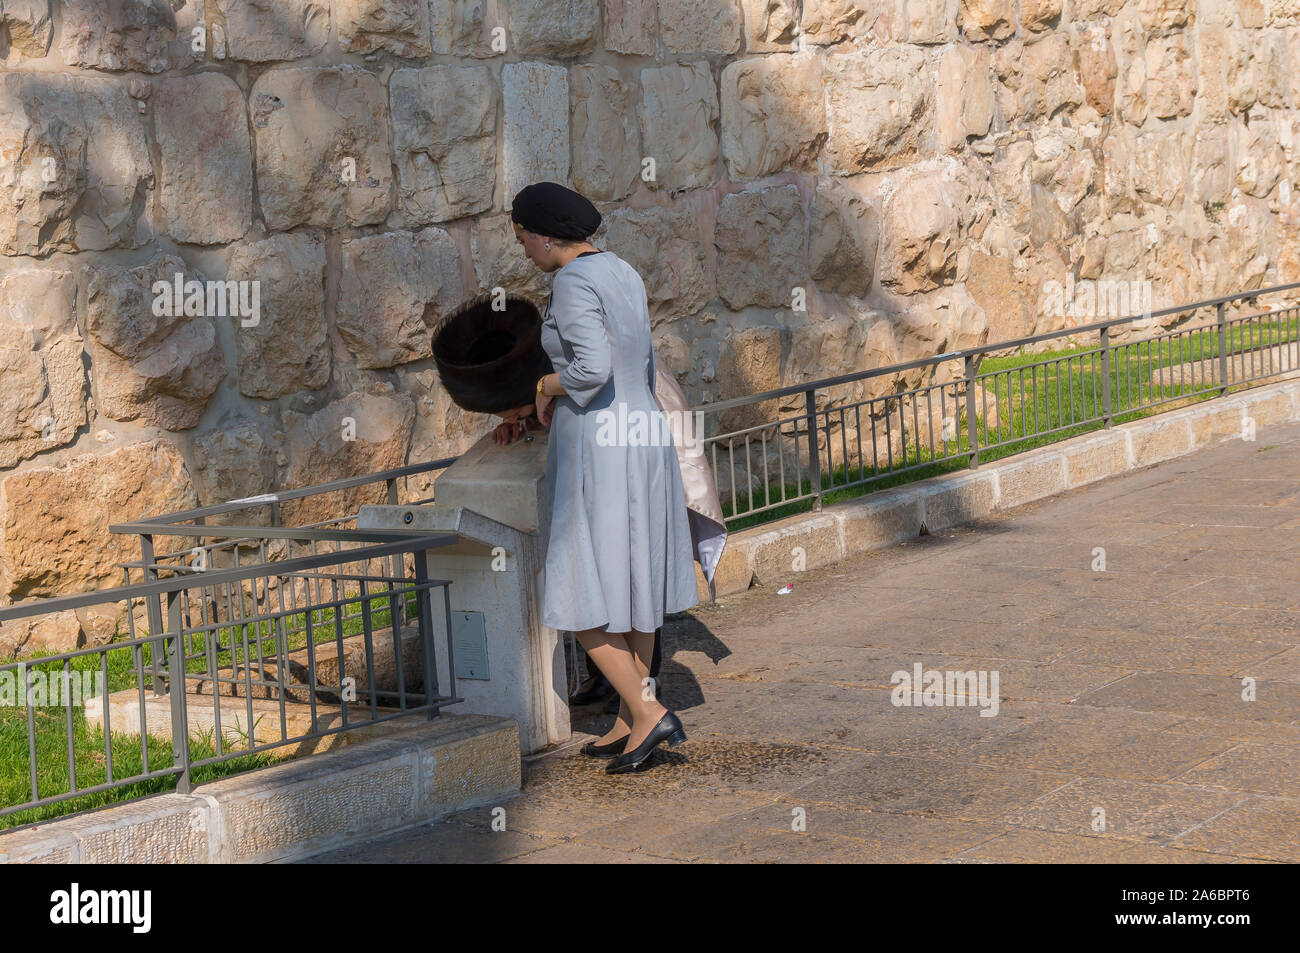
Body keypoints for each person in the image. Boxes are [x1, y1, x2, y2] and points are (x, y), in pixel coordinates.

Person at [492, 181, 699, 773]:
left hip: (601, 445)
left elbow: (589, 369)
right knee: (634, 583)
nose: (525, 250)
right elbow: (639, 361)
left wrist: (543, 386)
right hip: (641, 432)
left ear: (546, 235)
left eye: (523, 238)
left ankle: (649, 712)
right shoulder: (623, 271)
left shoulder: (571, 281)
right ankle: (632, 717)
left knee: (580, 590)